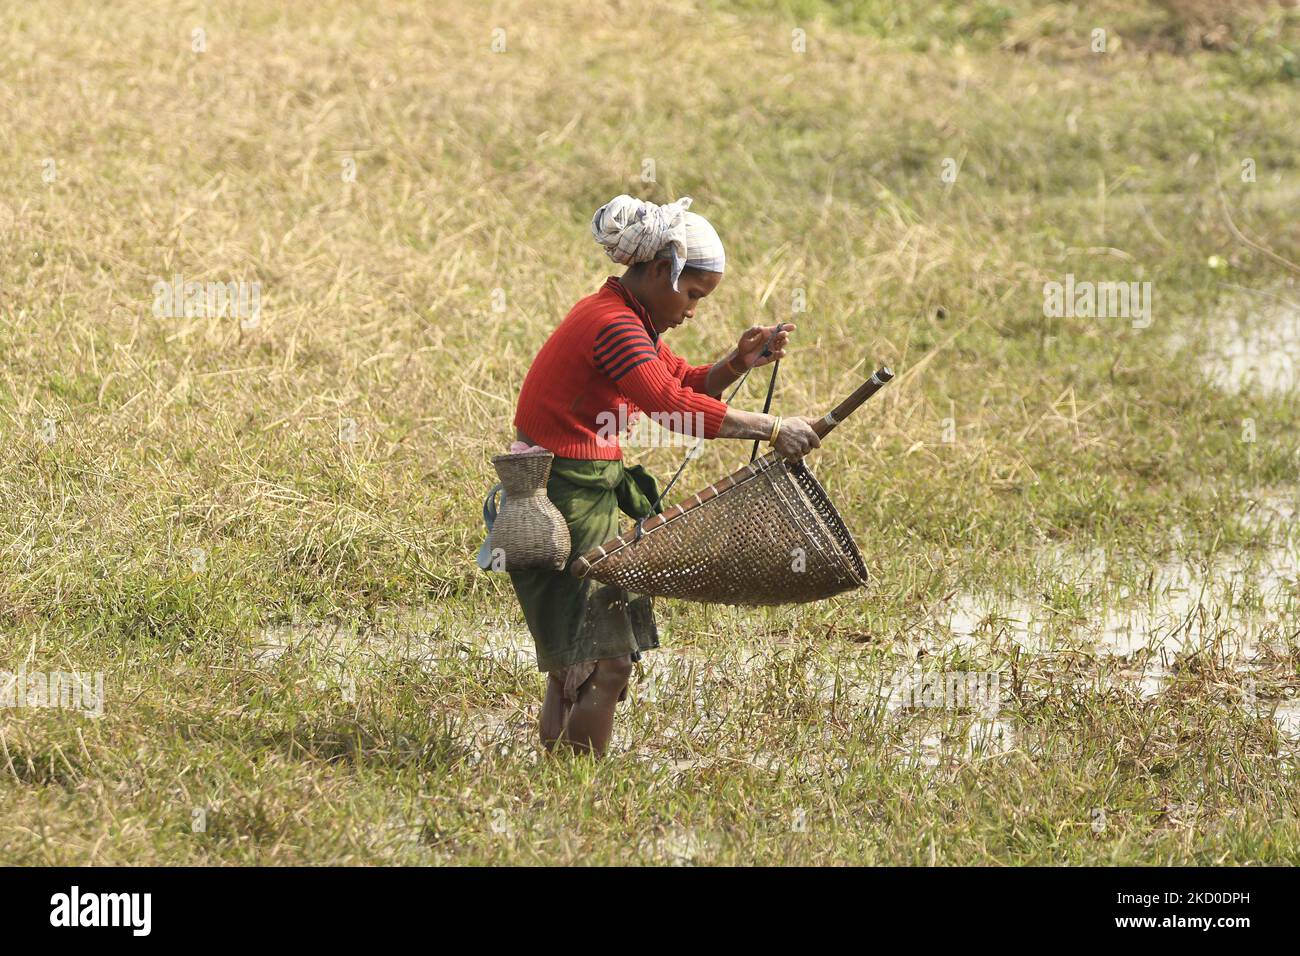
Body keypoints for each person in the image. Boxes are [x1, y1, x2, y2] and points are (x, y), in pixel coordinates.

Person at [508, 194, 821, 757]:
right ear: (659, 271)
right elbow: (665, 403)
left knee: (572, 657)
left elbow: (680, 382)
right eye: (694, 294)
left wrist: (735, 365)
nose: (694, 309)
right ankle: (576, 788)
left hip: (570, 486)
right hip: (570, 493)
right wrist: (771, 428)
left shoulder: (622, 318)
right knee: (608, 662)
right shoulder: (614, 325)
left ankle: (555, 781)